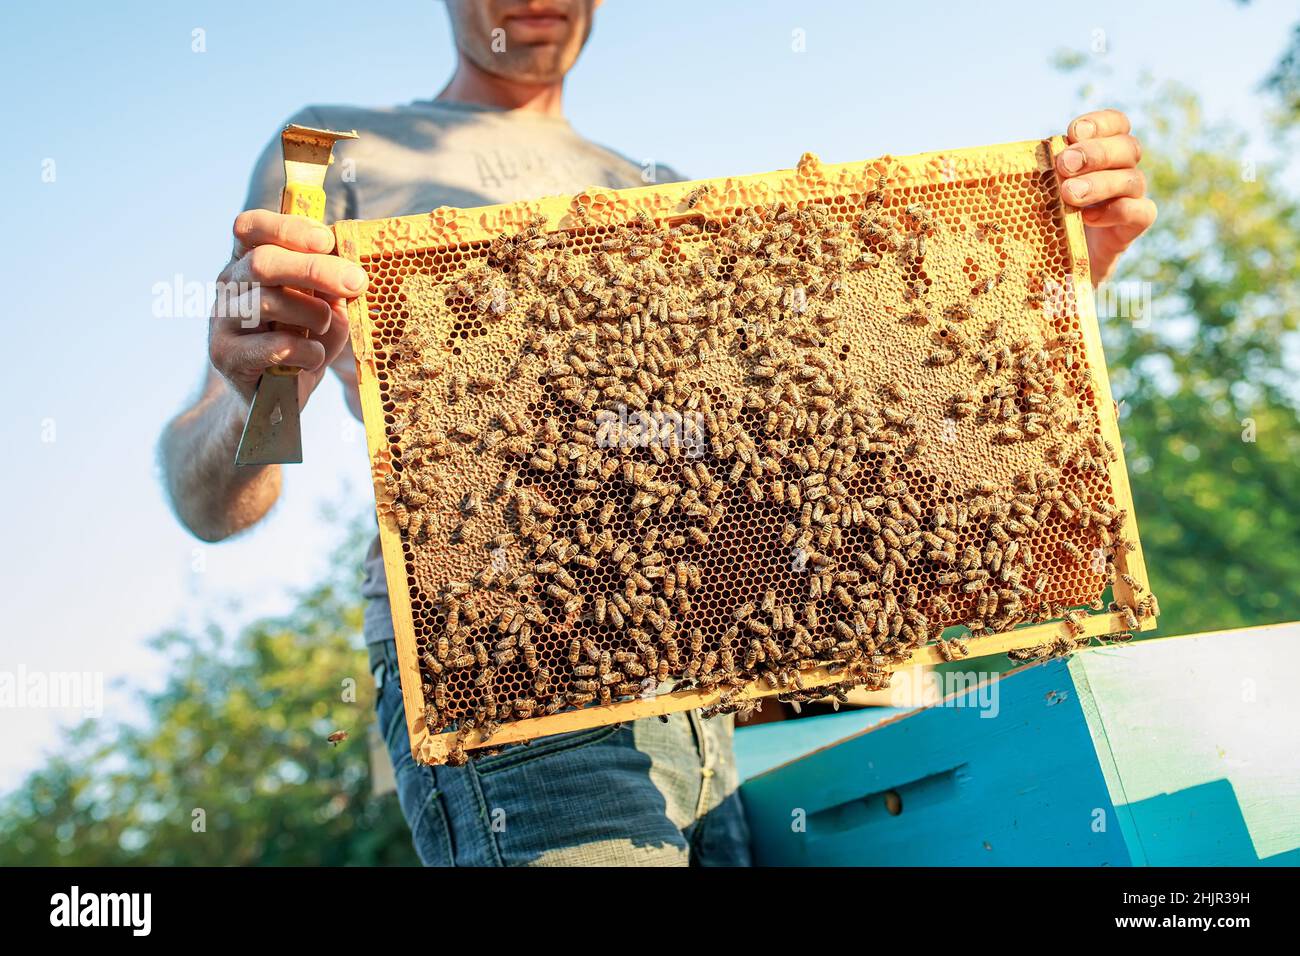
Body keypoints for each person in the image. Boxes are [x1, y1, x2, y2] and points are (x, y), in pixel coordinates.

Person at [159, 0, 1157, 866]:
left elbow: (848, 448)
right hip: (513, 678)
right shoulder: (330, 149)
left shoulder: (663, 188)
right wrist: (257, 393)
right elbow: (209, 497)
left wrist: (1050, 288)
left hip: (722, 695)